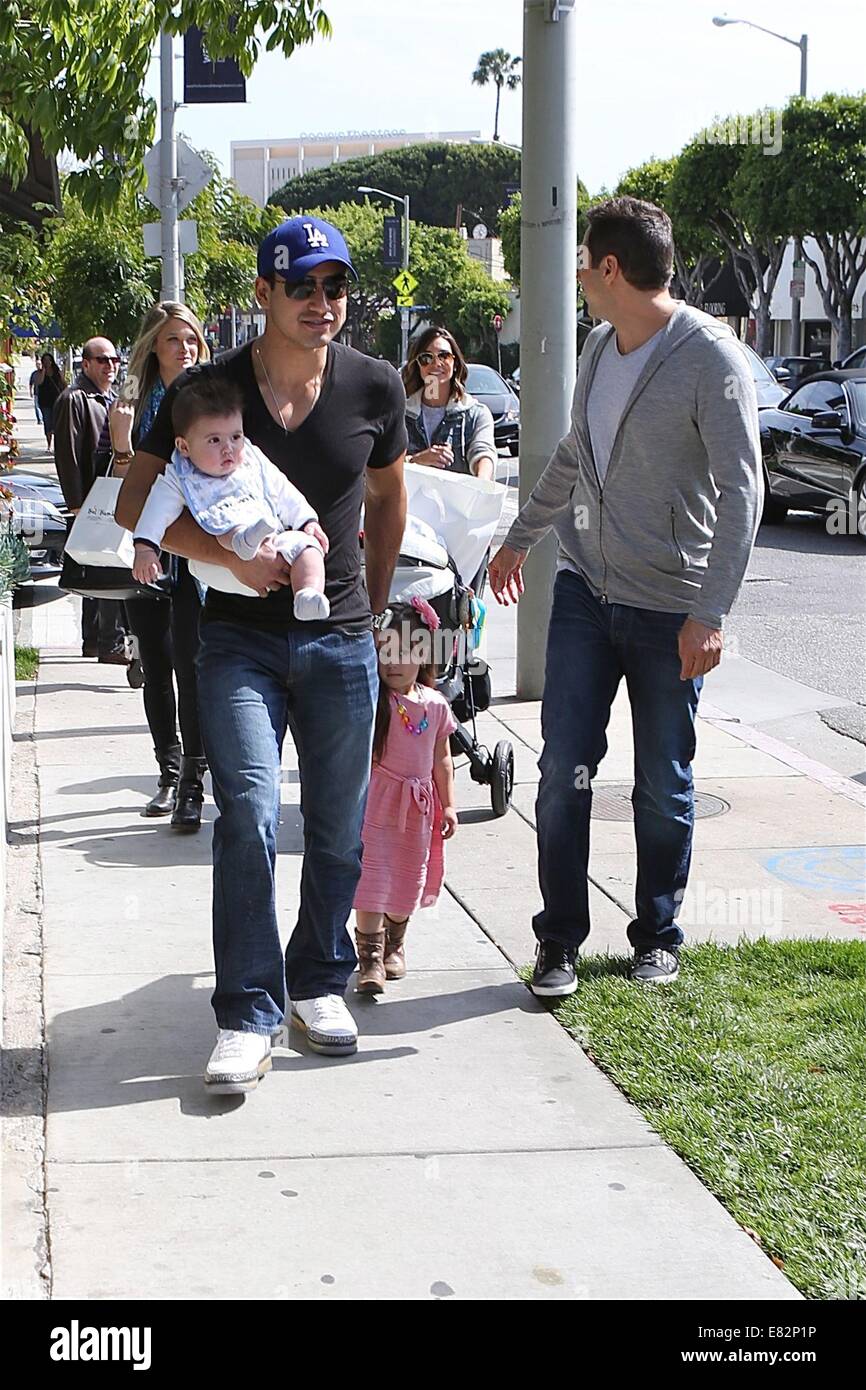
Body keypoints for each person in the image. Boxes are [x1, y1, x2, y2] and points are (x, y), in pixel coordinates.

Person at [116, 215, 407, 1093]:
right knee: (246, 808)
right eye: (303, 286)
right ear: (264, 295)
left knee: (336, 824)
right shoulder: (207, 389)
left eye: (336, 287)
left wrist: (376, 607)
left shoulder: (375, 385)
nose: (324, 303)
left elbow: (390, 500)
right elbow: (135, 500)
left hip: (342, 632)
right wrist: (226, 559)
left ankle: (317, 979)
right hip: (238, 640)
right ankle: (247, 1010)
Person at [489, 196, 762, 995]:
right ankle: (559, 942)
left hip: (670, 604)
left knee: (661, 782)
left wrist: (709, 612)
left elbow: (743, 493)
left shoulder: (710, 358)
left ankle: (656, 936)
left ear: (610, 269)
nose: (577, 276)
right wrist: (521, 537)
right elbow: (576, 454)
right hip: (584, 590)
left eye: (583, 263)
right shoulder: (600, 345)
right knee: (563, 768)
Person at [109, 302, 209, 827]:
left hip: (194, 553)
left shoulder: (207, 399)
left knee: (192, 664)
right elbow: (124, 489)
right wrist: (123, 446)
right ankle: (168, 772)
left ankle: (193, 779)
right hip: (143, 550)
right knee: (156, 661)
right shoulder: (134, 403)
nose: (185, 349)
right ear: (153, 346)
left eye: (191, 339)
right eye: (173, 340)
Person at [132, 376, 330, 621]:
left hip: (273, 540)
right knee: (228, 529)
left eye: (235, 437)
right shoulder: (181, 476)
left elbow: (283, 490)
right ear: (184, 447)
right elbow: (156, 510)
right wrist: (145, 549)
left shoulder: (251, 460)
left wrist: (306, 521)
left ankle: (307, 594)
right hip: (221, 564)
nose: (228, 448)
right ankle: (242, 541)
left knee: (307, 547)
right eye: (214, 440)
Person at [353, 598, 457, 993]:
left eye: (403, 652)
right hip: (375, 806)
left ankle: (396, 946)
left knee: (406, 881)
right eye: (383, 652)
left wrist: (448, 804)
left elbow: (442, 760)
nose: (392, 663)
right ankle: (371, 959)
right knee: (371, 880)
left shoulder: (435, 705)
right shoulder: (375, 700)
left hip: (417, 812)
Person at [54, 338, 129, 664]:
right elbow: (67, 453)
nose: (110, 366)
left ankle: (96, 639)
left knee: (100, 567)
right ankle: (107, 641)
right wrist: (76, 502)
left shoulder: (109, 399)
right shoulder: (75, 399)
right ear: (85, 364)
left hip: (109, 495)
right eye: (102, 360)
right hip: (89, 500)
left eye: (114, 360)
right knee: (106, 570)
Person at [402, 328, 497, 482]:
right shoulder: (400, 414)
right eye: (426, 358)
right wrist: (415, 460)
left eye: (444, 356)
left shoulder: (476, 414)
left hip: (458, 504)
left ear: (455, 363)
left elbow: (483, 453)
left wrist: (482, 483)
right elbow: (384, 466)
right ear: (418, 365)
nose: (436, 363)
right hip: (412, 504)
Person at [34, 352, 66, 450]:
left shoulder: (57, 372)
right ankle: (49, 445)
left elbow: (64, 384)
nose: (47, 363)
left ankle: (57, 445)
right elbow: (39, 383)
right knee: (47, 423)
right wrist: (43, 371)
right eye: (45, 361)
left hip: (57, 401)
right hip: (45, 402)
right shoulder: (39, 373)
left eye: (49, 360)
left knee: (57, 424)